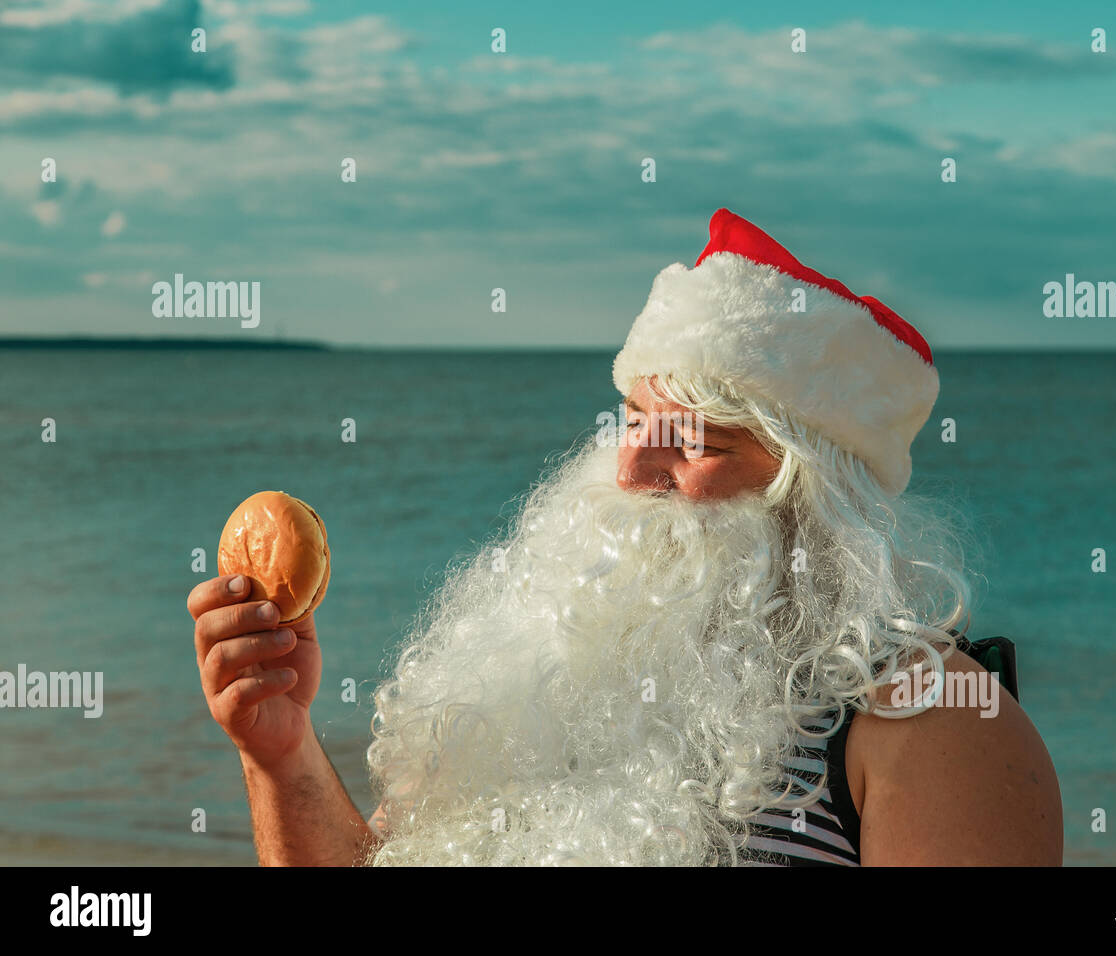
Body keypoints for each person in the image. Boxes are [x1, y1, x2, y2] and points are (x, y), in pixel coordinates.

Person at [188, 208, 1062, 866]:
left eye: (694, 443)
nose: (633, 471)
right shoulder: (549, 671)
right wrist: (279, 750)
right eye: (634, 420)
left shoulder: (931, 721)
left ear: (817, 488)